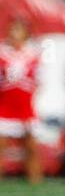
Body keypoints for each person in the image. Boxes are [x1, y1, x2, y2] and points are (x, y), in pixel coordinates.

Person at [0, 17, 43, 182]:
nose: (15, 34)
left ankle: (35, 181)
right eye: (12, 30)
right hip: (5, 106)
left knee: (31, 147)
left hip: (26, 106)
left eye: (19, 30)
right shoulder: (2, 53)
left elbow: (39, 80)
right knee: (1, 146)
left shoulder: (34, 54)